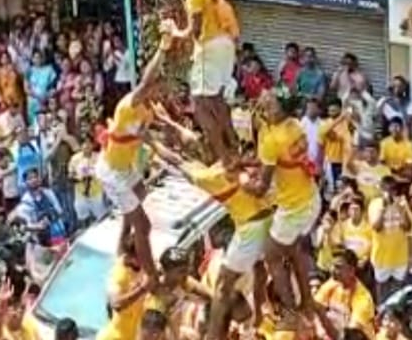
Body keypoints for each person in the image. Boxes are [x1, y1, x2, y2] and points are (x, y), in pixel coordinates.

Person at [148, 138, 271, 340]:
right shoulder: (231, 172)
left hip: (253, 227)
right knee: (255, 271)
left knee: (228, 285)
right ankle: (251, 316)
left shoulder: (224, 172)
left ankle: (229, 328)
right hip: (263, 224)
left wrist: (152, 139)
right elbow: (177, 158)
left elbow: (178, 157)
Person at [95, 36, 171, 283]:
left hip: (125, 166)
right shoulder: (128, 105)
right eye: (158, 87)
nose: (161, 92)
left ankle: (122, 243)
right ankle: (151, 276)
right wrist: (162, 48)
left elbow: (162, 130)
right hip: (111, 171)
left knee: (141, 191)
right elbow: (147, 79)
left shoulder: (150, 109)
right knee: (144, 226)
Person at [249, 88, 320, 319]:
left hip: (294, 207)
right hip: (310, 197)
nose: (266, 98)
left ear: (279, 108)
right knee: (293, 250)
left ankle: (291, 312)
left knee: (271, 255)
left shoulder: (272, 140)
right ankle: (306, 301)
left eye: (271, 100)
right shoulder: (294, 125)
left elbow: (261, 188)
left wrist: (242, 183)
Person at [162, 0, 236, 163]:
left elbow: (194, 31)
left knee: (201, 106)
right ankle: (233, 146)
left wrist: (175, 32)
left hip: (209, 46)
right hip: (226, 44)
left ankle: (223, 158)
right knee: (217, 100)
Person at [312, 249, 375, 340]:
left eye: (338, 267)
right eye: (332, 265)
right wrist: (320, 331)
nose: (332, 270)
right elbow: (315, 308)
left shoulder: (362, 298)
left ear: (351, 271)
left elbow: (351, 335)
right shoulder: (332, 283)